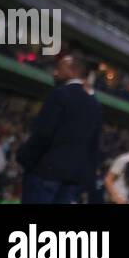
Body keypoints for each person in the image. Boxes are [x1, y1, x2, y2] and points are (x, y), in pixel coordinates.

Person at [16, 53, 101, 204]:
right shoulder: (95, 104)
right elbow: (93, 147)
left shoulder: (60, 94)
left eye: (59, 68)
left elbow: (43, 133)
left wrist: (24, 158)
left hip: (46, 172)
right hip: (73, 179)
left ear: (72, 71)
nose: (55, 72)